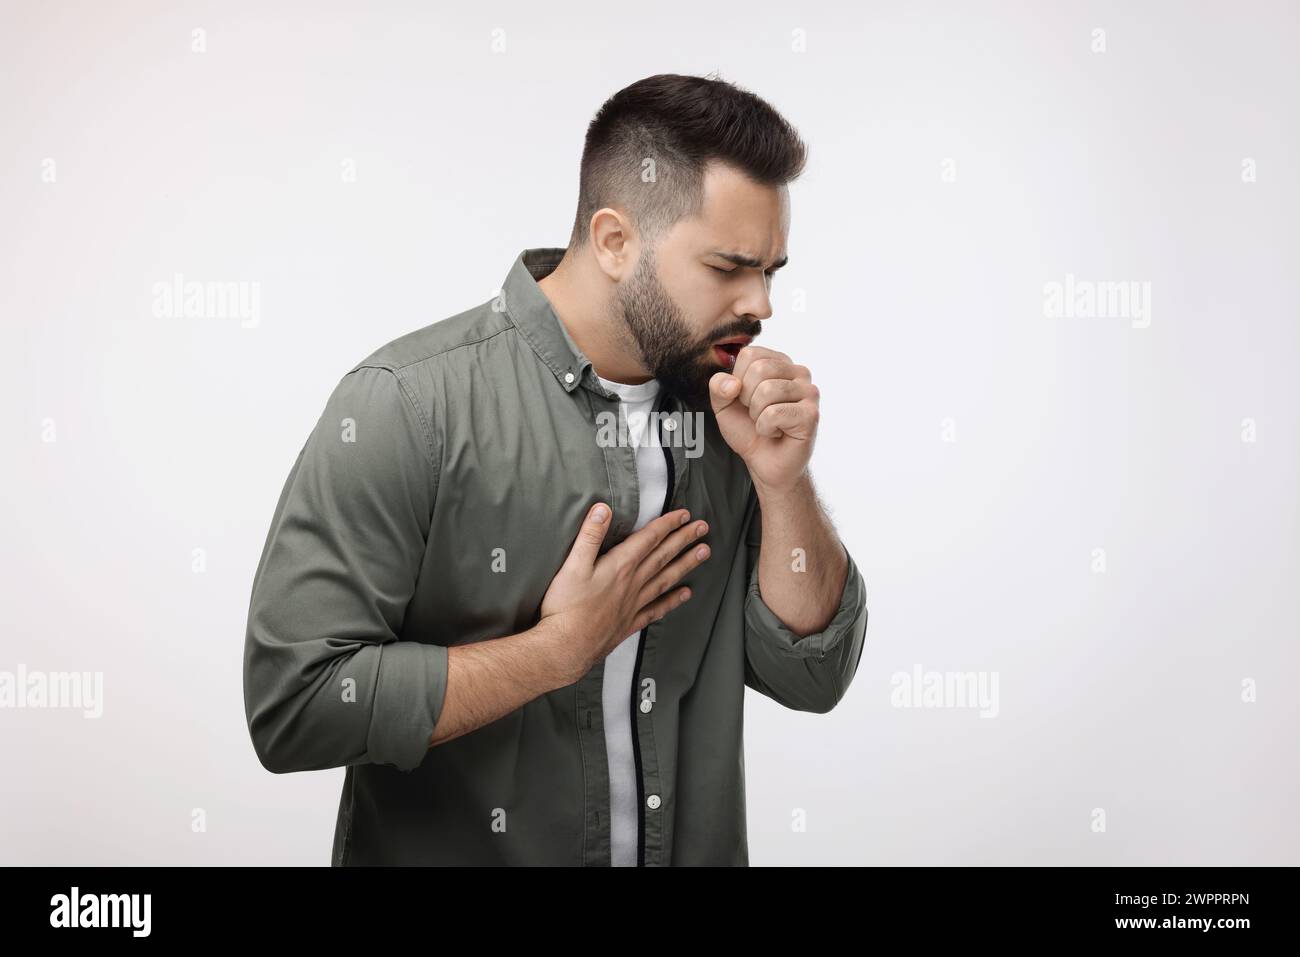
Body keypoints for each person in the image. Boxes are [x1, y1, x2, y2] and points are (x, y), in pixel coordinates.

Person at [242, 72, 868, 866]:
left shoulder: (729, 414)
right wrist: (555, 650)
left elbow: (812, 676)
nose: (762, 305)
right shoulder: (408, 405)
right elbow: (295, 704)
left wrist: (784, 482)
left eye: (771, 271)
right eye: (728, 267)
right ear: (614, 241)